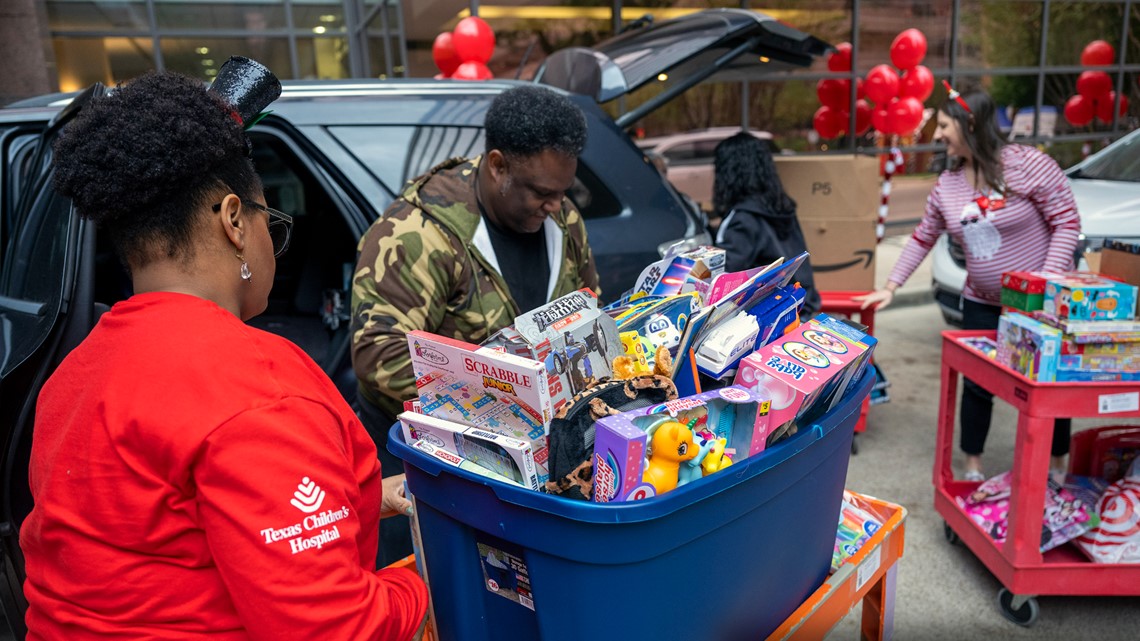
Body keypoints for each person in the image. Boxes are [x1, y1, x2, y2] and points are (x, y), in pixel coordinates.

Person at [20, 62, 428, 640]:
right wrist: (431, 582)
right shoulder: (258, 391)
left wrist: (364, 497)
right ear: (235, 220)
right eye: (273, 226)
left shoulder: (78, 370)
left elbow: (161, 538)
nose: (272, 247)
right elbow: (334, 629)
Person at [352, 85, 598, 563]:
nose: (556, 206)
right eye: (542, 193)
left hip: (531, 462)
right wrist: (501, 394)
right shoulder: (416, 234)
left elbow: (588, 308)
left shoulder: (563, 221)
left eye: (563, 192)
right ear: (498, 166)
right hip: (428, 468)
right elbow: (378, 356)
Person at [856, 86, 1081, 482]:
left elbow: (1067, 221)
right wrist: (891, 285)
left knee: (1047, 382)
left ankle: (1058, 465)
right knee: (978, 384)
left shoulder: (1027, 164)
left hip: (1038, 302)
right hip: (981, 301)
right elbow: (924, 236)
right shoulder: (948, 184)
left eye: (943, 125)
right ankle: (973, 467)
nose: (938, 134)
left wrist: (1045, 281)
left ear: (970, 122)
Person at [712, 132, 821, 318]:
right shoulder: (779, 206)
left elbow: (722, 278)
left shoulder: (743, 218)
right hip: (799, 305)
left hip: (765, 319)